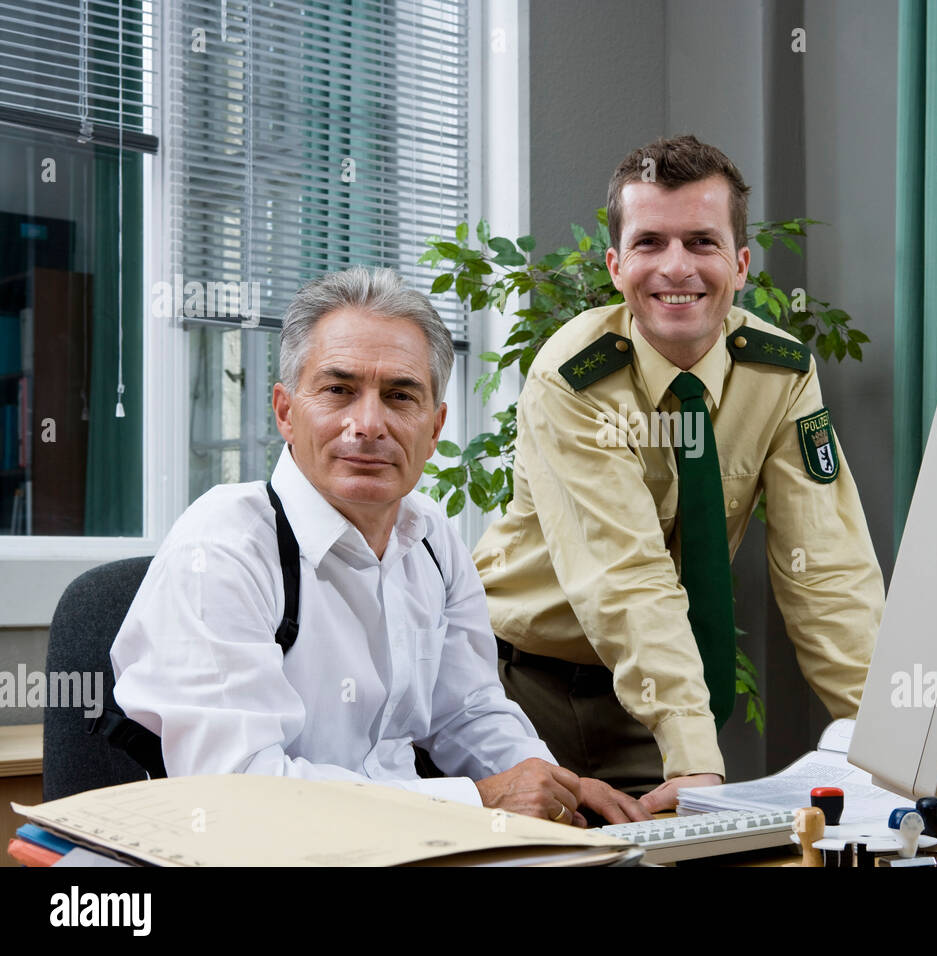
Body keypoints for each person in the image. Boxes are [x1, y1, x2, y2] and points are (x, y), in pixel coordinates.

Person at [111, 267, 647, 827]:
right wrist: (478, 802)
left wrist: (551, 785)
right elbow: (238, 792)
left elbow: (468, 712)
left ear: (435, 427)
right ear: (286, 411)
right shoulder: (225, 546)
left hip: (410, 846)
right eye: (339, 390)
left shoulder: (432, 539)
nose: (368, 424)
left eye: (399, 396)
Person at [473, 135, 886, 812]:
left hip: (636, 699)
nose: (676, 268)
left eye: (701, 241)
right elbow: (625, 577)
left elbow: (828, 570)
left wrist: (889, 740)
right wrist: (695, 754)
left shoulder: (780, 374)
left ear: (741, 262)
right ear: (614, 265)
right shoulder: (573, 377)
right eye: (649, 243)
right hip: (516, 687)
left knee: (679, 851)